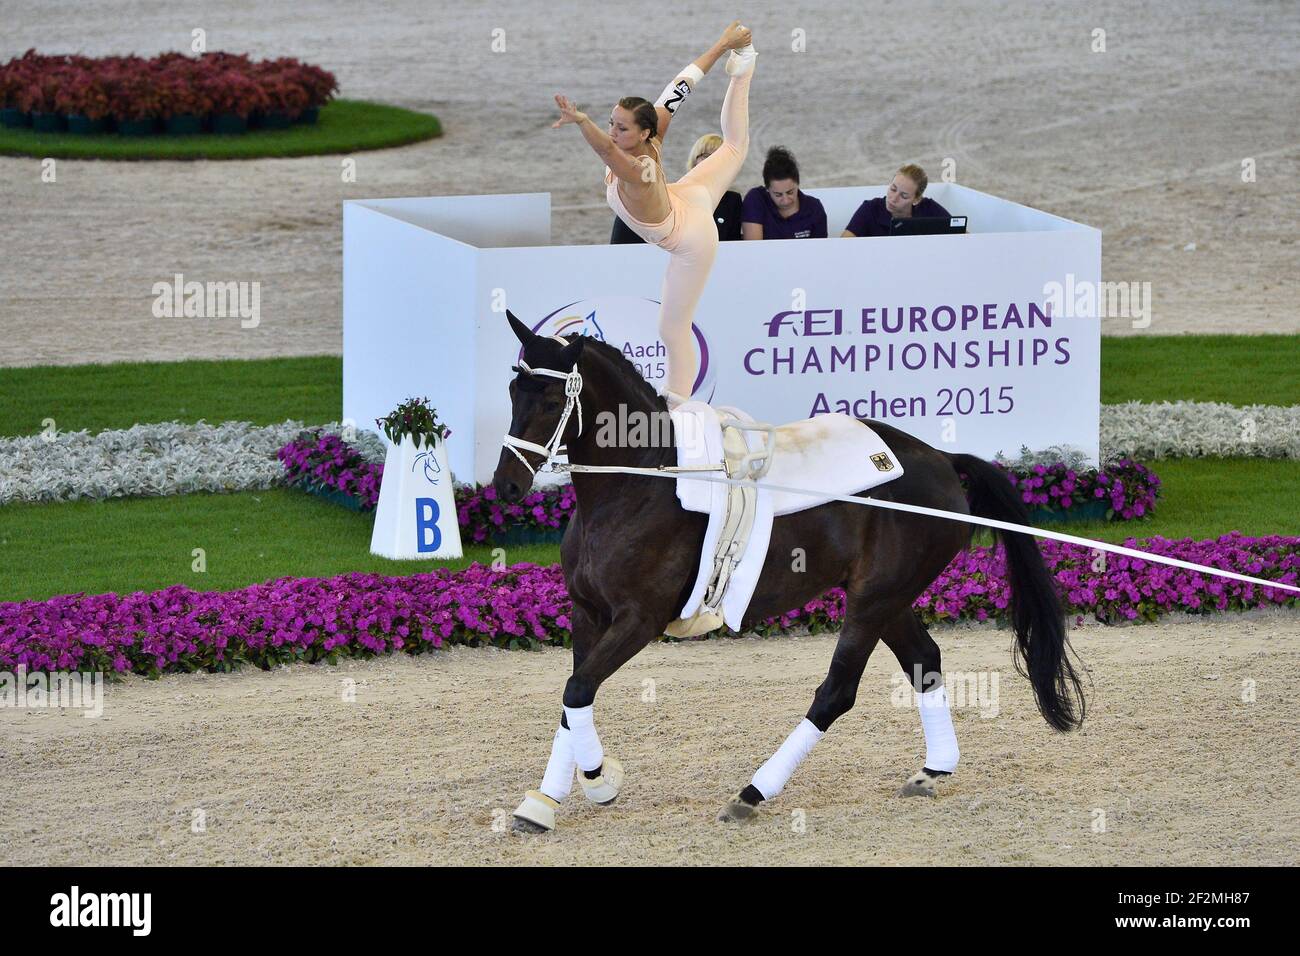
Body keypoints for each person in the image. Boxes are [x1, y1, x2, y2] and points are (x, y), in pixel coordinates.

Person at [554, 20, 757, 407]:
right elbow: (682, 84)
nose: (614, 133)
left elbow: (607, 153)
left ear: (645, 134)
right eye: (612, 123)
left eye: (623, 128)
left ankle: (678, 407)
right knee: (733, 147)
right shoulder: (654, 127)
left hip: (691, 239)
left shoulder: (638, 171)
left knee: (672, 326)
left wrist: (582, 121)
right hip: (688, 197)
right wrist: (724, 43)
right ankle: (745, 61)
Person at [610, 133, 743, 243]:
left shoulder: (732, 201)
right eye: (706, 156)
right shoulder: (673, 194)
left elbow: (733, 245)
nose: (712, 162)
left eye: (719, 157)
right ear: (695, 160)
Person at [740, 146, 827, 240]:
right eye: (778, 195)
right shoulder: (756, 200)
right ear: (767, 189)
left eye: (790, 192)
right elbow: (753, 249)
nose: (785, 201)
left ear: (798, 184)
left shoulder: (814, 208)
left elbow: (819, 250)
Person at [841, 163, 952, 237]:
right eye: (893, 189)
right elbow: (843, 244)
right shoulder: (870, 209)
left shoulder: (929, 209)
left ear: (916, 199)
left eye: (904, 196)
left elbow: (964, 235)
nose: (893, 199)